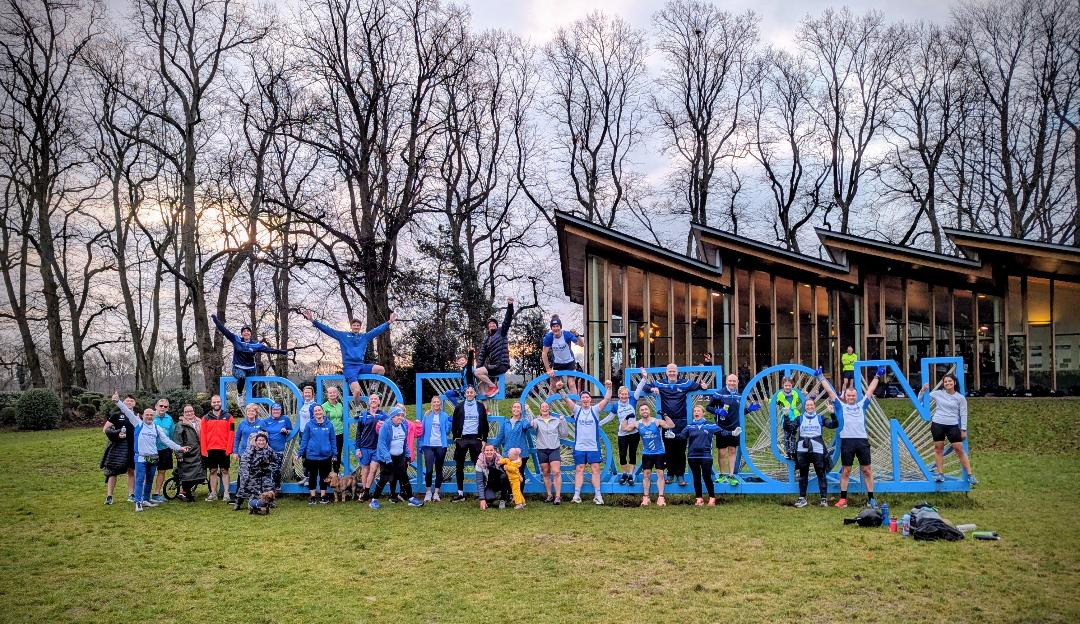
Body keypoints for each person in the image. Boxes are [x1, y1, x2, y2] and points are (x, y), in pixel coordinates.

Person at [818, 366, 884, 508]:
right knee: (846, 471)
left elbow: (870, 390)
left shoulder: (862, 405)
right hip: (847, 441)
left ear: (856, 396)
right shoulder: (840, 406)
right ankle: (843, 500)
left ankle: (871, 498)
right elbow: (830, 391)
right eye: (849, 395)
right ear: (845, 396)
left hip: (862, 441)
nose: (851, 397)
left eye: (853, 395)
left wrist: (877, 375)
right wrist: (821, 377)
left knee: (867, 470)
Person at [303, 308, 396, 408]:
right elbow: (328, 330)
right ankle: (357, 407)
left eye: (358, 325)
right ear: (351, 326)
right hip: (349, 367)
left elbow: (376, 331)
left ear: (360, 327)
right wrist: (313, 320)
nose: (356, 327)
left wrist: (389, 322)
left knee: (381, 369)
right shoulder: (343, 336)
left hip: (361, 366)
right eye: (354, 325)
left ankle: (373, 390)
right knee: (356, 391)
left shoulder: (364, 337)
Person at [112, 392, 189, 512]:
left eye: (151, 415)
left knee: (149, 480)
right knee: (140, 480)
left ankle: (146, 500)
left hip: (153, 457)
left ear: (153, 417)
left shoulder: (156, 428)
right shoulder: (138, 424)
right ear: (143, 416)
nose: (149, 417)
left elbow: (166, 440)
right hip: (141, 457)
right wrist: (117, 401)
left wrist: (180, 448)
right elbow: (127, 411)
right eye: (147, 415)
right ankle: (138, 502)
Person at [639, 364, 710, 487]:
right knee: (669, 448)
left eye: (674, 371)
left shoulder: (684, 383)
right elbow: (645, 387)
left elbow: (699, 386)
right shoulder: (660, 383)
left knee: (681, 449)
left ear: (677, 372)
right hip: (667, 422)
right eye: (669, 371)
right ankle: (670, 474)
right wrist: (652, 389)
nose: (672, 373)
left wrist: (703, 386)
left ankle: (680, 474)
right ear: (666, 372)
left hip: (681, 421)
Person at [211, 314, 291, 407]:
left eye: (248, 331)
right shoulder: (236, 339)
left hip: (251, 369)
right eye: (244, 331)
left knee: (252, 386)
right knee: (241, 377)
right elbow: (224, 330)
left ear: (250, 333)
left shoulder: (256, 344)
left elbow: (269, 349)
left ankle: (253, 403)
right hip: (238, 367)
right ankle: (240, 394)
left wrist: (281, 351)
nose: (246, 332)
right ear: (242, 334)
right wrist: (215, 320)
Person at [557, 379, 614, 505]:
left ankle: (598, 495)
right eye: (583, 397)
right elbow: (566, 399)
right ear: (581, 399)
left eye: (587, 397)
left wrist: (609, 387)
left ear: (590, 399)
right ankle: (576, 495)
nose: (585, 399)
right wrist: (561, 388)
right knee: (579, 469)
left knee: (595, 469)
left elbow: (606, 400)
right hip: (580, 447)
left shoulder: (595, 410)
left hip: (593, 446)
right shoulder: (577, 410)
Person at [919, 374, 976, 485]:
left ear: (954, 383)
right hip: (937, 424)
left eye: (950, 381)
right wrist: (923, 390)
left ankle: (970, 475)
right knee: (938, 449)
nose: (948, 383)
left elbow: (963, 414)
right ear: (943, 384)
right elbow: (921, 401)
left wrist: (963, 429)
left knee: (959, 449)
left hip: (953, 426)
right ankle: (940, 474)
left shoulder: (960, 397)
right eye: (945, 382)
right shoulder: (938, 394)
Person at [680, 405, 742, 506]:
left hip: (706, 457)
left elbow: (723, 432)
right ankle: (699, 498)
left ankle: (712, 498)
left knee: (706, 477)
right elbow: (681, 436)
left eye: (698, 411)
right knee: (696, 478)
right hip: (692, 457)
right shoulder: (689, 426)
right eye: (694, 411)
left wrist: (732, 433)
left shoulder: (710, 425)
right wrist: (673, 436)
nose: (696, 412)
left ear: (703, 413)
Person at [706, 374, 760, 486]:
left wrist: (749, 409)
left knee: (732, 451)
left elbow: (740, 413)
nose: (732, 383)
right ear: (726, 381)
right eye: (730, 381)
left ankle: (731, 475)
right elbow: (708, 407)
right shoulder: (719, 393)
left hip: (735, 427)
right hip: (721, 427)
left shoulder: (739, 396)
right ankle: (721, 475)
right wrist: (718, 411)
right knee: (721, 452)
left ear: (737, 382)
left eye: (734, 381)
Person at [367, 407, 424, 509]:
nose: (400, 418)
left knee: (404, 476)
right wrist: (388, 459)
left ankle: (411, 498)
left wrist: (407, 455)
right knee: (384, 479)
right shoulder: (385, 426)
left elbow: (404, 442)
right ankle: (374, 500)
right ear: (392, 416)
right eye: (398, 416)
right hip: (387, 457)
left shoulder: (403, 426)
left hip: (400, 456)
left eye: (402, 415)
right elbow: (381, 444)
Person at [791, 397, 838, 508]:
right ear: (805, 407)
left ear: (814, 406)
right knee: (803, 474)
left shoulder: (820, 418)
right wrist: (787, 416)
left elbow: (834, 425)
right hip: (803, 449)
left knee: (821, 473)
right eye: (807, 405)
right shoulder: (800, 418)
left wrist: (832, 414)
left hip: (817, 448)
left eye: (811, 405)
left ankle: (823, 499)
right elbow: (790, 428)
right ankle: (802, 498)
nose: (810, 407)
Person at [451, 386, 490, 502]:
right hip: (462, 439)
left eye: (471, 392)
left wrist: (484, 439)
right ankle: (460, 493)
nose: (469, 394)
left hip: (475, 439)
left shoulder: (480, 406)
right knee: (459, 466)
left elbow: (485, 423)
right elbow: (454, 423)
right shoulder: (459, 406)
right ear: (465, 394)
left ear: (475, 394)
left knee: (479, 466)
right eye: (467, 392)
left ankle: (482, 493)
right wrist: (455, 438)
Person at [634, 403, 675, 506]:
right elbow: (624, 428)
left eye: (646, 409)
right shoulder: (638, 424)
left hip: (659, 452)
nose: (644, 411)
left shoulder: (656, 422)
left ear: (649, 410)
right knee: (646, 474)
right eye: (642, 410)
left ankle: (661, 498)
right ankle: (646, 497)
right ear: (639, 412)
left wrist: (665, 415)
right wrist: (626, 418)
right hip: (647, 453)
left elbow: (671, 425)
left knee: (660, 474)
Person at [609, 381, 647, 486]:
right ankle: (624, 474)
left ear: (628, 394)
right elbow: (610, 417)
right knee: (622, 454)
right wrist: (598, 423)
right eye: (622, 394)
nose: (624, 396)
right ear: (619, 395)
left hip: (634, 433)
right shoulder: (616, 405)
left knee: (632, 454)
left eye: (626, 394)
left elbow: (639, 388)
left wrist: (643, 378)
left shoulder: (633, 401)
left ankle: (631, 475)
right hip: (622, 434)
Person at [530, 401, 568, 504]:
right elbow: (531, 427)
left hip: (554, 449)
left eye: (546, 406)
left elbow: (564, 434)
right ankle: (549, 495)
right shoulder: (537, 421)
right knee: (546, 473)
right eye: (543, 406)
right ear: (540, 409)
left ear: (549, 409)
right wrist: (529, 414)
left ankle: (558, 496)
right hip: (542, 449)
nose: (545, 408)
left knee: (556, 472)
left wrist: (563, 421)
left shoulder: (556, 420)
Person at [101, 393, 137, 505]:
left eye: (131, 401)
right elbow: (105, 429)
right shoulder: (116, 415)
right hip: (118, 448)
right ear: (123, 402)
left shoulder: (137, 416)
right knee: (113, 472)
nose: (129, 402)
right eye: (127, 401)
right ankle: (109, 496)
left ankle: (131, 494)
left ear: (134, 403)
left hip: (133, 447)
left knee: (132, 471)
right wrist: (116, 434)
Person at [297, 405, 336, 505]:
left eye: (319, 410)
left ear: (322, 411)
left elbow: (332, 440)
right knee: (312, 476)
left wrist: (334, 453)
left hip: (325, 456)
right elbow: (304, 440)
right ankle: (313, 496)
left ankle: (323, 496)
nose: (318, 412)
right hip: (312, 455)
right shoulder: (309, 425)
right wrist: (299, 453)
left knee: (324, 477)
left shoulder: (329, 424)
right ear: (313, 413)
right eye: (315, 411)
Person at [234, 431, 281, 512]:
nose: (261, 442)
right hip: (252, 473)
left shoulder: (269, 450)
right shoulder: (250, 450)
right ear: (256, 441)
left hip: (264, 473)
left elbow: (275, 460)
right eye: (259, 440)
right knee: (244, 486)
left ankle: (269, 502)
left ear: (266, 441)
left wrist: (270, 469)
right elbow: (244, 462)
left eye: (263, 440)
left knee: (268, 486)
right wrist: (246, 474)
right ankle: (238, 502)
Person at [475, 298, 513, 396]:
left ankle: (493, 387)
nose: (492, 325)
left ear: (496, 325)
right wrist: (478, 367)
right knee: (479, 377)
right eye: (490, 324)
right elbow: (482, 355)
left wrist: (510, 306)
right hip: (493, 366)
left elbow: (507, 320)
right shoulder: (487, 339)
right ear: (488, 327)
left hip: (501, 365)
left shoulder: (502, 332)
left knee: (478, 373)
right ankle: (486, 404)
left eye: (494, 323)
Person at [200, 394, 234, 502]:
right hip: (211, 449)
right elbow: (203, 435)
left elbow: (231, 434)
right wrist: (204, 450)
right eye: (214, 402)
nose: (216, 404)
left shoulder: (229, 417)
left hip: (224, 449)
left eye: (218, 402)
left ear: (221, 402)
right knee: (213, 471)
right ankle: (213, 493)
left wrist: (229, 449)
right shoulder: (205, 418)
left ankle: (226, 493)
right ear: (211, 403)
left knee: (224, 470)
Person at [354, 394, 388, 500]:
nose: (373, 400)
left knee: (373, 470)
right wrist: (358, 448)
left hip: (377, 448)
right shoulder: (363, 415)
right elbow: (358, 433)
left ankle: (366, 491)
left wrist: (385, 424)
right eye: (371, 399)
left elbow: (389, 429)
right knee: (365, 470)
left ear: (379, 402)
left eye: (375, 399)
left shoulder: (383, 415)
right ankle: (364, 491)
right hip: (364, 447)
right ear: (369, 402)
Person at [419, 395, 453, 502]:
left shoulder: (444, 415)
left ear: (440, 404)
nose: (436, 404)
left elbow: (447, 431)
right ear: (431, 403)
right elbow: (422, 430)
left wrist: (450, 422)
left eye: (438, 402)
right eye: (434, 402)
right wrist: (421, 444)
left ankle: (436, 493)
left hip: (440, 445)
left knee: (439, 469)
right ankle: (428, 492)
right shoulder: (427, 415)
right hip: (428, 445)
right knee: (429, 469)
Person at [542, 315, 585, 394]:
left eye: (557, 326)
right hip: (558, 363)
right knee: (554, 385)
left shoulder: (567, 334)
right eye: (553, 326)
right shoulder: (549, 337)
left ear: (560, 327)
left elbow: (582, 344)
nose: (556, 328)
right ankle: (549, 405)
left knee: (571, 384)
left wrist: (577, 335)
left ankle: (574, 406)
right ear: (551, 328)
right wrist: (548, 370)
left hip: (569, 362)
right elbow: (544, 353)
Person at [492, 401, 533, 483]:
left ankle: (518, 495)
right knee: (507, 475)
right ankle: (510, 494)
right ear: (512, 409)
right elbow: (500, 437)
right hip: (508, 453)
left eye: (518, 407)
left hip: (521, 454)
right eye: (514, 407)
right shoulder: (505, 423)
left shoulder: (523, 422)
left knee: (520, 475)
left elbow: (529, 425)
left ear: (521, 410)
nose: (516, 409)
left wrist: (528, 411)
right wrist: (492, 447)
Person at [172, 404, 205, 502]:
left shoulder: (200, 422)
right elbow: (177, 440)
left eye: (191, 411)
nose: (189, 413)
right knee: (188, 476)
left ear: (194, 411)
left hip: (199, 453)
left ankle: (186, 492)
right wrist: (179, 454)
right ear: (183, 413)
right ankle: (185, 492)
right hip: (188, 454)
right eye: (186, 412)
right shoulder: (180, 425)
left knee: (199, 476)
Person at [149, 397, 175, 504]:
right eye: (161, 406)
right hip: (151, 449)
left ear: (167, 408)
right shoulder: (150, 417)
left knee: (162, 471)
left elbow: (172, 434)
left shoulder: (169, 419)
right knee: (149, 472)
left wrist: (172, 447)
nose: (163, 408)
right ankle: (145, 494)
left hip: (165, 449)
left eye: (165, 406)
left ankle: (156, 494)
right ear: (156, 406)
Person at [773, 377, 806, 461]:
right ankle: (788, 452)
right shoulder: (780, 394)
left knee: (794, 436)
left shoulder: (795, 393)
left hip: (794, 416)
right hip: (786, 416)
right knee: (786, 435)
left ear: (792, 385)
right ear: (783, 386)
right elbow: (776, 401)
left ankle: (793, 452)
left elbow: (798, 401)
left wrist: (804, 394)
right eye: (786, 385)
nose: (787, 387)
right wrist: (768, 400)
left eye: (789, 385)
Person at [474, 444, 511, 509]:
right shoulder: (479, 463)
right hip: (488, 484)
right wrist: (482, 499)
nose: (489, 452)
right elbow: (480, 482)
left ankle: (503, 498)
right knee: (489, 499)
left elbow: (508, 474)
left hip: (500, 482)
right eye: (487, 450)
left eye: (491, 450)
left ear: (494, 451)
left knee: (504, 476)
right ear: (483, 451)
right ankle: (496, 495)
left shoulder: (500, 459)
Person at [322, 386, 345, 472]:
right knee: (328, 454)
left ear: (337, 394)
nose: (332, 394)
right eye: (330, 393)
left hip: (340, 433)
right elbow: (322, 421)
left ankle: (336, 473)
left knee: (337, 454)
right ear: (327, 395)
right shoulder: (324, 406)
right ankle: (327, 474)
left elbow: (342, 418)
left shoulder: (340, 405)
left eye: (334, 392)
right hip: (328, 434)